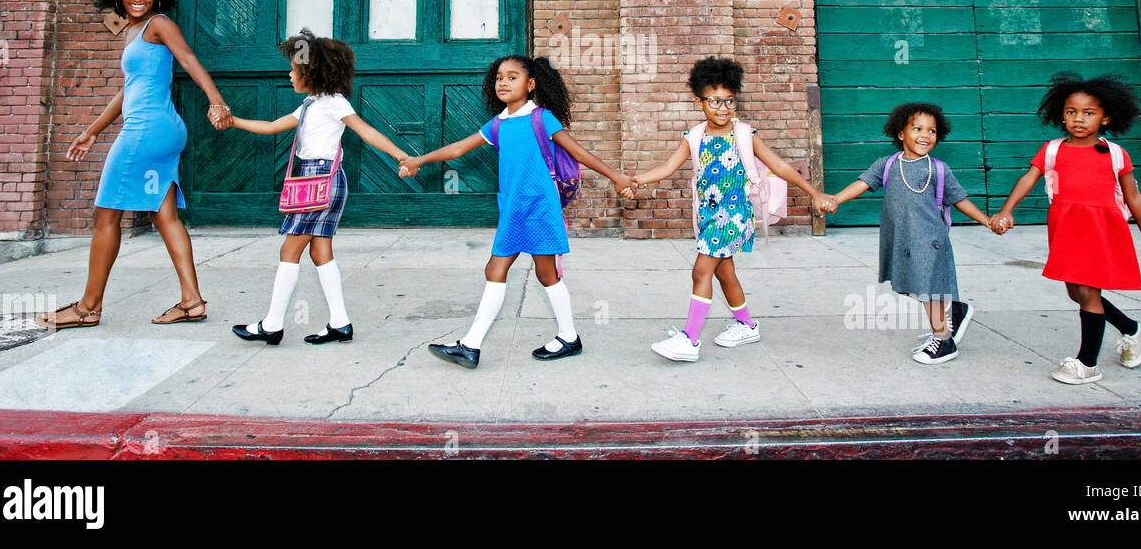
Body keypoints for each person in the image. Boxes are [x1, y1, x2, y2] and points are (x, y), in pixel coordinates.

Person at [399, 55, 635, 369]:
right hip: (513, 209)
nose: (504, 83)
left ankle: (566, 336)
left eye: (513, 77)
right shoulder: (498, 124)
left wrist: (616, 176)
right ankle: (472, 345)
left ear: (531, 84)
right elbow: (458, 148)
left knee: (546, 273)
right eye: (499, 77)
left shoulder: (541, 118)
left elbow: (578, 152)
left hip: (539, 207)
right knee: (495, 270)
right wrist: (419, 160)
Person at [39, 0, 231, 329]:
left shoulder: (159, 24)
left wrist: (217, 100)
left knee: (106, 215)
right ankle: (192, 301)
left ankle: (88, 307)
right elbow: (129, 90)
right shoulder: (133, 31)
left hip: (145, 132)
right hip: (163, 130)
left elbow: (189, 60)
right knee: (165, 214)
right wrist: (93, 130)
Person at [635, 57, 826, 363]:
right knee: (724, 273)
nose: (722, 109)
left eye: (729, 102)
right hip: (709, 217)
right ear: (699, 102)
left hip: (735, 216)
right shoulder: (694, 137)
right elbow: (667, 167)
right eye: (714, 102)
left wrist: (814, 192)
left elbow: (779, 165)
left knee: (700, 270)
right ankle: (747, 325)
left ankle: (689, 339)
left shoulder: (744, 134)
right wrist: (634, 180)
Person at [228, 29, 411, 346]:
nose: (289, 74)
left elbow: (365, 131)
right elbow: (272, 127)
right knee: (320, 249)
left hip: (319, 181)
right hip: (323, 182)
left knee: (290, 249)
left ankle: (272, 325)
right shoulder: (310, 105)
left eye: (294, 69)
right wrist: (234, 121)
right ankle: (340, 323)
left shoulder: (332, 104)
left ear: (311, 72)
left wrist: (401, 156)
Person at [990, 72, 1141, 385]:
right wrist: (1006, 210)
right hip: (1066, 228)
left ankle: (1087, 363)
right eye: (1071, 112)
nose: (1079, 118)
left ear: (1106, 118)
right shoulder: (1053, 149)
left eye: (1089, 113)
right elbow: (1029, 178)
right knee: (1076, 292)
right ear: (1061, 114)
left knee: (1088, 292)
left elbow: (1134, 197)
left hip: (1101, 228)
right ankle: (1132, 329)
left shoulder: (1116, 154)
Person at [818, 102, 993, 364]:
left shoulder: (939, 169)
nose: (925, 135)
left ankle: (944, 340)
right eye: (918, 129)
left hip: (930, 239)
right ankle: (955, 310)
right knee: (912, 287)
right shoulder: (887, 165)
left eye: (932, 131)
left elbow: (959, 200)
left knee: (927, 290)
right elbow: (862, 183)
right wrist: (836, 199)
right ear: (901, 134)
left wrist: (987, 220)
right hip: (902, 239)